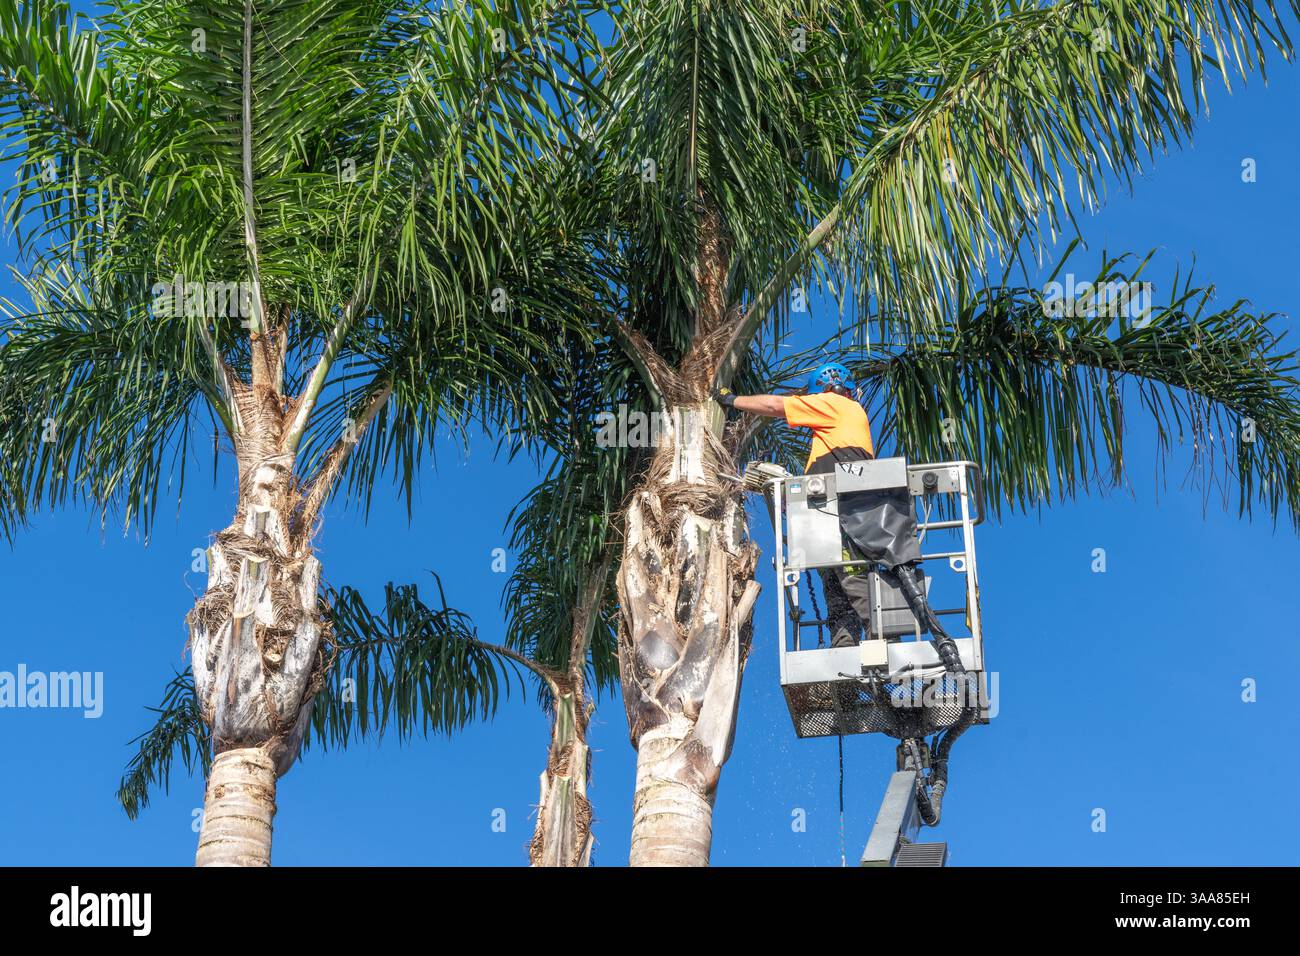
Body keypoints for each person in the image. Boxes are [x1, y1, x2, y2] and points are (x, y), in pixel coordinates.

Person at [712, 363, 963, 673]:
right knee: (835, 582)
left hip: (846, 519)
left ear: (823, 390)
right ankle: (844, 648)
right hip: (833, 519)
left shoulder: (835, 404)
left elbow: (774, 405)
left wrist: (730, 399)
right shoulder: (840, 428)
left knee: (850, 574)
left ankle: (883, 644)